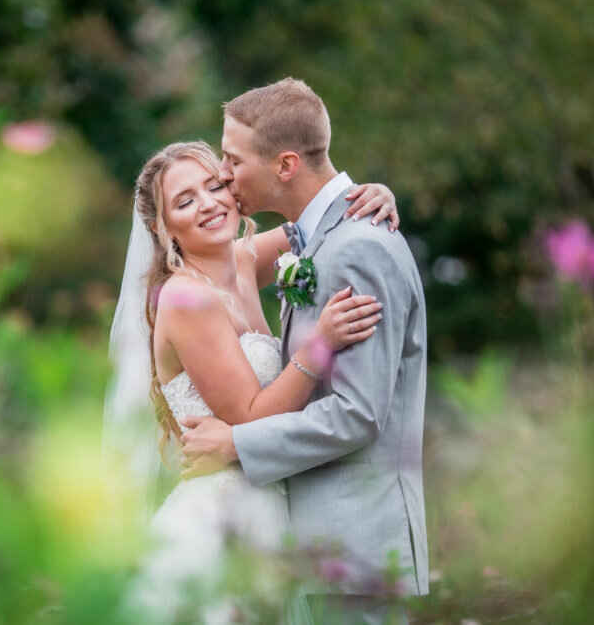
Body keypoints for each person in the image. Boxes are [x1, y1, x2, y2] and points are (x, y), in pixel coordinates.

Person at [109, 140, 398, 623]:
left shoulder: (242, 261)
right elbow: (249, 418)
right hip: (220, 519)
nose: (208, 203)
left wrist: (375, 195)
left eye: (215, 185)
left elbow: (321, 217)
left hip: (268, 507)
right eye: (185, 201)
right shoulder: (187, 299)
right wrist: (317, 345)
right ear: (162, 229)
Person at [180, 78, 429, 624]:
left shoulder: (358, 246)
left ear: (286, 165)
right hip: (317, 547)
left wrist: (237, 444)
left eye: (232, 159)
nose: (222, 175)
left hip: (354, 545)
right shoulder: (315, 238)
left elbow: (359, 412)